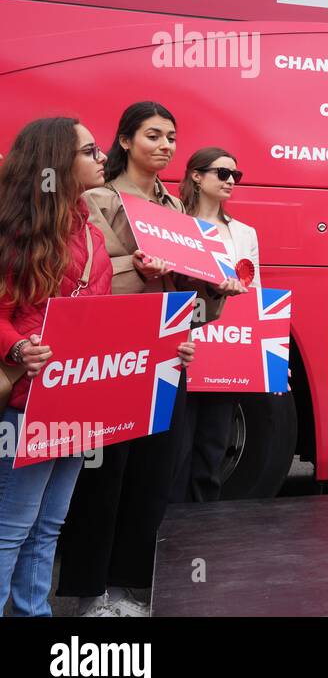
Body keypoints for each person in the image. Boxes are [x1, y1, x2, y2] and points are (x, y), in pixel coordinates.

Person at [57, 102, 235, 616]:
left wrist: (214, 286)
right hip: (113, 358)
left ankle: (133, 591)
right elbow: (84, 275)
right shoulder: (100, 198)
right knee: (105, 479)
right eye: (153, 135)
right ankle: (88, 594)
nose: (165, 145)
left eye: (172, 138)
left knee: (155, 477)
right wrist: (139, 267)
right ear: (126, 141)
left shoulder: (179, 213)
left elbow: (193, 300)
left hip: (167, 355)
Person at [0, 119, 112, 616]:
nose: (102, 156)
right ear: (54, 164)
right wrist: (19, 348)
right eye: (90, 150)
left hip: (77, 401)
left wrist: (168, 348)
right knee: (10, 529)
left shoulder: (91, 230)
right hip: (27, 403)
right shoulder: (15, 230)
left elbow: (106, 322)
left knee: (47, 528)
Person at [172, 147, 259, 503]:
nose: (230, 182)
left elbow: (253, 294)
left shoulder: (245, 233)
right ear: (196, 175)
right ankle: (168, 531)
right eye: (222, 174)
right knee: (175, 451)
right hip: (180, 348)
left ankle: (203, 529)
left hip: (226, 352)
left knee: (212, 450)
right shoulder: (175, 224)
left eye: (235, 176)